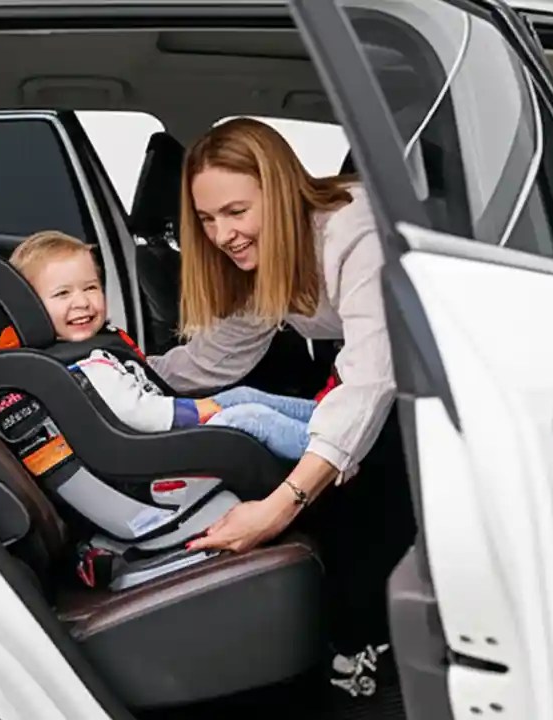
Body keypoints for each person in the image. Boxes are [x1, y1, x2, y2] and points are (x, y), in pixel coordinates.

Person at [147, 117, 416, 702]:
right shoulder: (263, 253)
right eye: (207, 219)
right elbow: (214, 361)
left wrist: (277, 509)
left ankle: (369, 657)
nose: (222, 234)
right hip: (381, 371)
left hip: (437, 373)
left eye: (236, 212)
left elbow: (373, 377)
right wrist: (127, 378)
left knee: (361, 490)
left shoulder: (352, 231)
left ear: (281, 187)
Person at [8, 230, 319, 461]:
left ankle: (326, 416)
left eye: (90, 287)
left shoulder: (93, 350)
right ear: (29, 307)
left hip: (160, 442)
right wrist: (198, 410)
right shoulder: (86, 368)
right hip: (161, 455)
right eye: (62, 294)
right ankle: (326, 449)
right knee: (249, 416)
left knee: (242, 396)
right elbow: (141, 413)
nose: (82, 302)